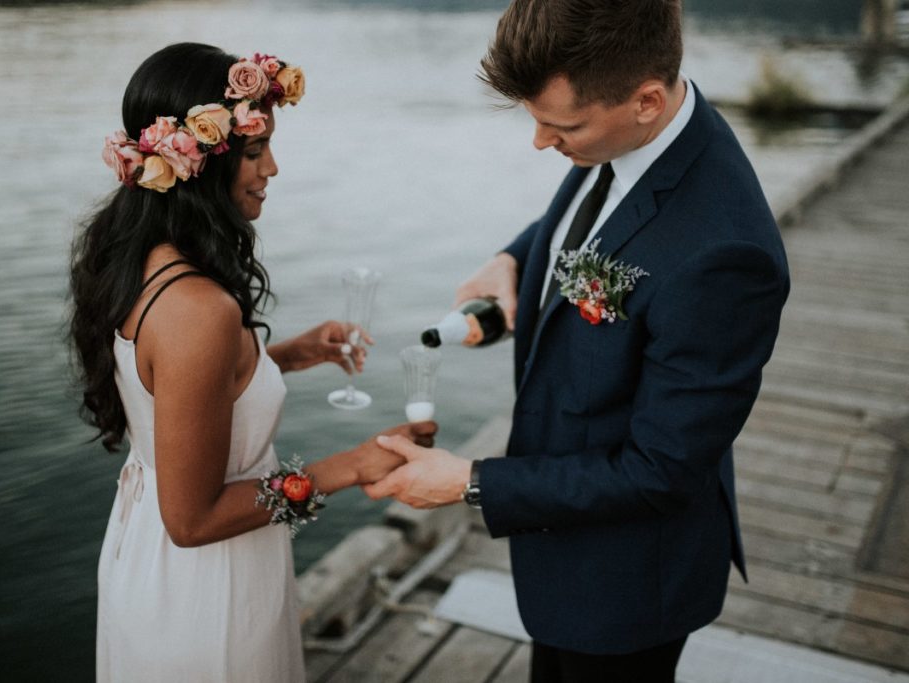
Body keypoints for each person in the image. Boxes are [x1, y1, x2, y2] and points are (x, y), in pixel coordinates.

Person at [364, 1, 790, 681]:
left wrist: (468, 481)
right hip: (562, 553)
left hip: (625, 585)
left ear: (647, 100)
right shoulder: (635, 134)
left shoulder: (728, 256)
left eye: (559, 126)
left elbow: (660, 470)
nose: (539, 143)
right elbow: (595, 221)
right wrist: (514, 259)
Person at [68, 42, 434, 682]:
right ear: (202, 162)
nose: (273, 169)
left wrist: (286, 355)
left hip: (150, 561)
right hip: (206, 588)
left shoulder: (136, 253)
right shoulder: (198, 310)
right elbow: (194, 519)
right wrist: (352, 465)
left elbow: (172, 392)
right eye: (256, 152)